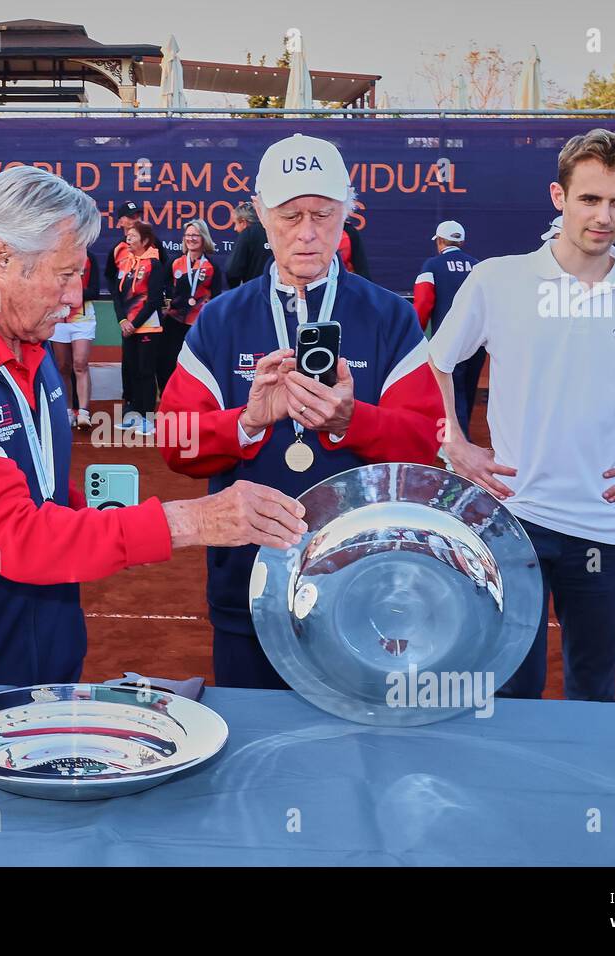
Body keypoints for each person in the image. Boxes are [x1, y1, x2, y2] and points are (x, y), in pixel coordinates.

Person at [0, 164, 307, 687]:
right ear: (1, 259)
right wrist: (192, 522)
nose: (73, 298)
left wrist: (113, 516)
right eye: (64, 276)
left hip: (33, 654)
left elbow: (38, 495)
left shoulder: (26, 346)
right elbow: (15, 536)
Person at [158, 133, 443, 688]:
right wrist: (248, 422)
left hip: (363, 581)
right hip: (247, 576)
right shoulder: (221, 319)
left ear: (348, 213)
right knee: (252, 745)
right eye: (290, 215)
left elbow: (423, 443)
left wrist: (350, 420)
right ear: (261, 215)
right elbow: (175, 440)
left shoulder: (390, 317)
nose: (308, 233)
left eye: (323, 213)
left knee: (357, 750)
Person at [428, 128, 615, 702]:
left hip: (601, 526)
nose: (603, 216)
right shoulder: (498, 279)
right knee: (509, 689)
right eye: (590, 199)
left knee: (593, 689)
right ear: (559, 197)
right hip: (511, 518)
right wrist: (452, 439)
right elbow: (435, 363)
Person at [413, 220, 483, 440]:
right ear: (460, 241)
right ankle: (462, 438)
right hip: (477, 340)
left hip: (448, 340)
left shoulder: (432, 266)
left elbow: (423, 303)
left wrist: (417, 334)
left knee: (451, 392)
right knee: (469, 390)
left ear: (440, 241)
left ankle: (455, 443)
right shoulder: (478, 266)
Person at [158, 219, 223, 388]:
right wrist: (165, 304)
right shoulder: (175, 263)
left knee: (196, 364)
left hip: (198, 324)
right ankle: (169, 400)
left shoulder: (211, 266)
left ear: (203, 238)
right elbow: (163, 287)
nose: (191, 239)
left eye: (195, 235)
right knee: (168, 363)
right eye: (188, 235)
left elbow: (216, 298)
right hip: (174, 323)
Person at [117, 222, 168, 436]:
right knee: (131, 371)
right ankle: (133, 415)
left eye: (133, 236)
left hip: (147, 327)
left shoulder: (154, 264)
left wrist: (134, 324)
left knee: (146, 372)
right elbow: (118, 296)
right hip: (127, 328)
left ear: (145, 240)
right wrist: (122, 321)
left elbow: (155, 300)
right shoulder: (126, 263)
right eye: (127, 235)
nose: (128, 239)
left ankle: (148, 419)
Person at [104, 200, 145, 426]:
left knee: (146, 365)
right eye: (130, 216)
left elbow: (164, 275)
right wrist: (121, 314)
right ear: (120, 222)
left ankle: (145, 408)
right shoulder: (118, 249)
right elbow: (111, 279)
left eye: (137, 214)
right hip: (127, 317)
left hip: (148, 317)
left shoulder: (152, 244)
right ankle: (129, 404)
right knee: (129, 362)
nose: (135, 219)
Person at [50, 253, 97, 428]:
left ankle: (84, 412)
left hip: (82, 320)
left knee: (80, 363)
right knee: (63, 366)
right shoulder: (54, 258)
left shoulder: (88, 258)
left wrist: (72, 294)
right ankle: (68, 411)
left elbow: (95, 291)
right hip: (59, 319)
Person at [225, 201, 273, 288]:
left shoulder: (247, 233)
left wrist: (236, 289)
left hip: (254, 291)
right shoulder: (275, 231)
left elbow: (232, 270)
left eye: (235, 223)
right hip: (280, 292)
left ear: (243, 222)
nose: (235, 229)